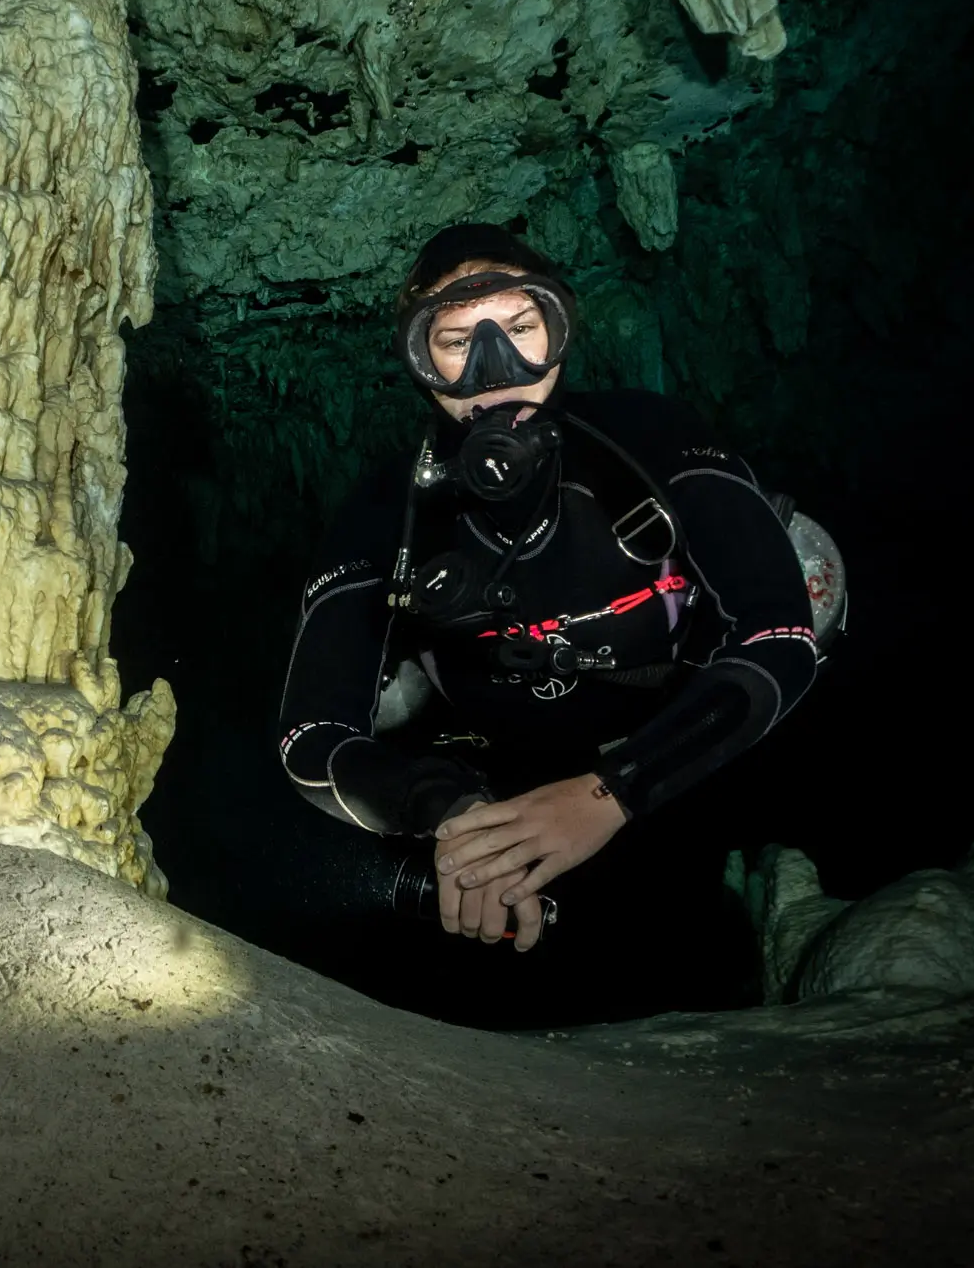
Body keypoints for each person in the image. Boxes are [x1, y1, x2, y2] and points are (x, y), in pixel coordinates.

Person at [272, 222, 819, 1020]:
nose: (497, 371)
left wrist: (612, 793)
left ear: (559, 334)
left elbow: (782, 634)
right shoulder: (385, 515)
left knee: (697, 942)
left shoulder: (650, 438)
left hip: (681, 744)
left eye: (523, 329)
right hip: (489, 778)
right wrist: (450, 819)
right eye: (457, 341)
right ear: (421, 365)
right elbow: (309, 739)